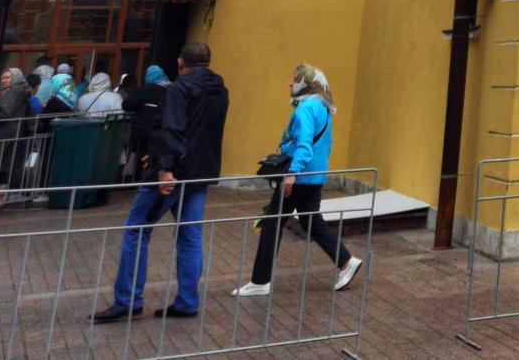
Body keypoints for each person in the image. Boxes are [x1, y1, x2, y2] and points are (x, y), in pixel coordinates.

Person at [94, 42, 230, 324]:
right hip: (201, 171)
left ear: (181, 63)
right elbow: (198, 131)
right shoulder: (221, 91)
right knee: (190, 235)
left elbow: (174, 127)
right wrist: (158, 155)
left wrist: (164, 165)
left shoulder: (180, 89)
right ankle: (188, 300)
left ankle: (128, 300)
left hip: (175, 170)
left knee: (137, 229)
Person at [233, 65, 361, 297]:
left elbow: (304, 144)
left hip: (299, 177)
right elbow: (324, 145)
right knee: (312, 222)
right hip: (314, 177)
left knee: (272, 223)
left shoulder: (305, 109)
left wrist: (292, 173)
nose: (290, 84)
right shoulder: (323, 107)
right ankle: (346, 261)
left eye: (295, 80)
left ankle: (260, 281)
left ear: (306, 83)